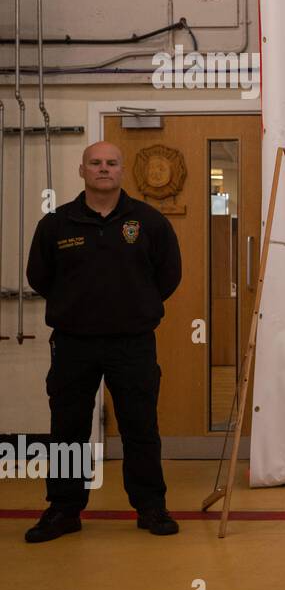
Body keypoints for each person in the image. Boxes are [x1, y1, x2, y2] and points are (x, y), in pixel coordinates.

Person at [24, 141, 183, 543]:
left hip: (132, 343)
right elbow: (39, 278)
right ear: (82, 171)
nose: (103, 169)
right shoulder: (57, 224)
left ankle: (150, 507)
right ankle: (63, 509)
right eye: (95, 163)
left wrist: (136, 307)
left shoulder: (148, 222)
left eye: (111, 162)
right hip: (73, 344)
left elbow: (168, 276)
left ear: (121, 170)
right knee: (67, 429)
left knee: (140, 427)